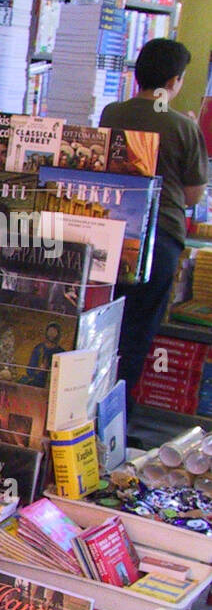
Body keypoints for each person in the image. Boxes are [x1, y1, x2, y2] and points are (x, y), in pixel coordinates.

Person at [99, 39, 209, 404]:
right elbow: (193, 196)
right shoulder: (182, 126)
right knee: (137, 334)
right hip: (159, 238)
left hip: (110, 231)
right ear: (175, 81)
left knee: (102, 328)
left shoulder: (112, 113)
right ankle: (116, 422)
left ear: (137, 73)